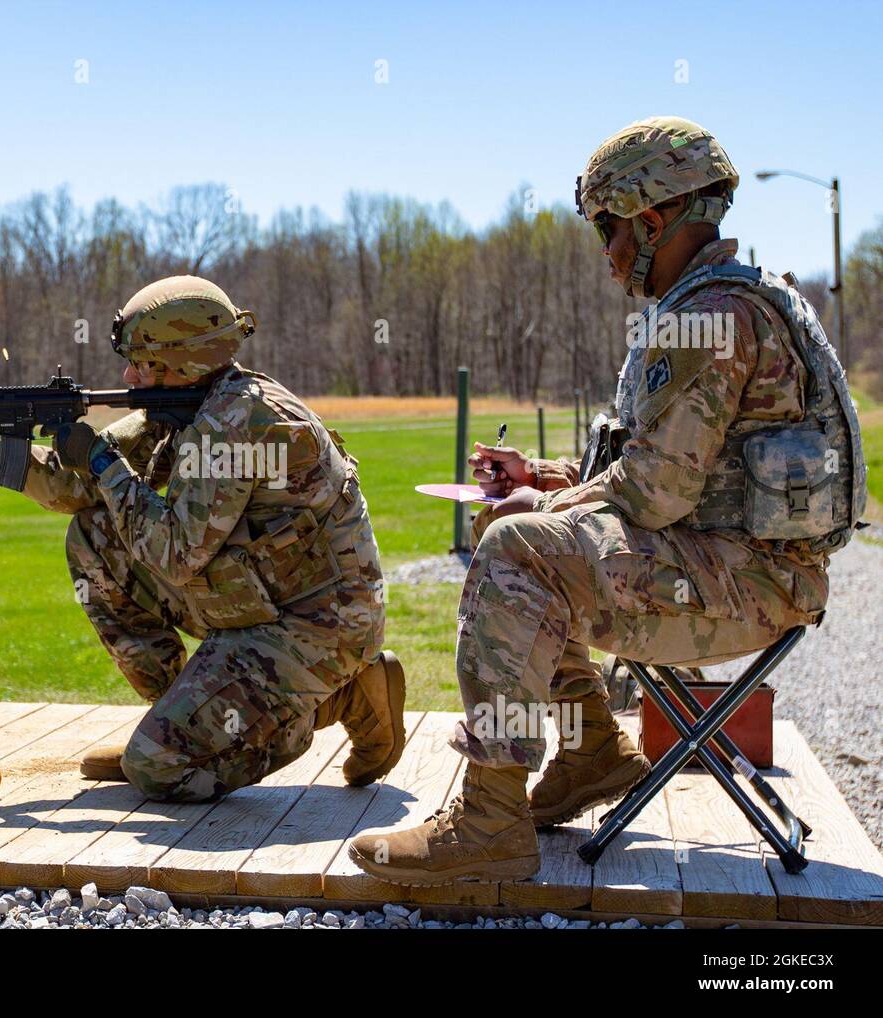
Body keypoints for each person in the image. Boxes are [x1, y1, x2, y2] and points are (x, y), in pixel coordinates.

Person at [348, 116, 865, 884]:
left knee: (517, 550)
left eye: (609, 232)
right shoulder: (722, 304)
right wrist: (548, 480)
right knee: (531, 532)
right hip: (740, 566)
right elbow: (665, 474)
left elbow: (653, 495)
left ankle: (491, 819)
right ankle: (591, 748)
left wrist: (543, 509)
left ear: (652, 221)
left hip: (749, 584)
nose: (609, 257)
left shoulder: (709, 318)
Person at [0, 275, 402, 802]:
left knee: (159, 772)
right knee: (93, 537)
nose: (127, 374)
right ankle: (178, 724)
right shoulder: (189, 407)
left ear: (179, 363)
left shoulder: (237, 424)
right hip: (261, 600)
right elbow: (72, 489)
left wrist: (102, 462)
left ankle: (338, 701)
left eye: (141, 361)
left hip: (320, 625)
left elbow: (176, 554)